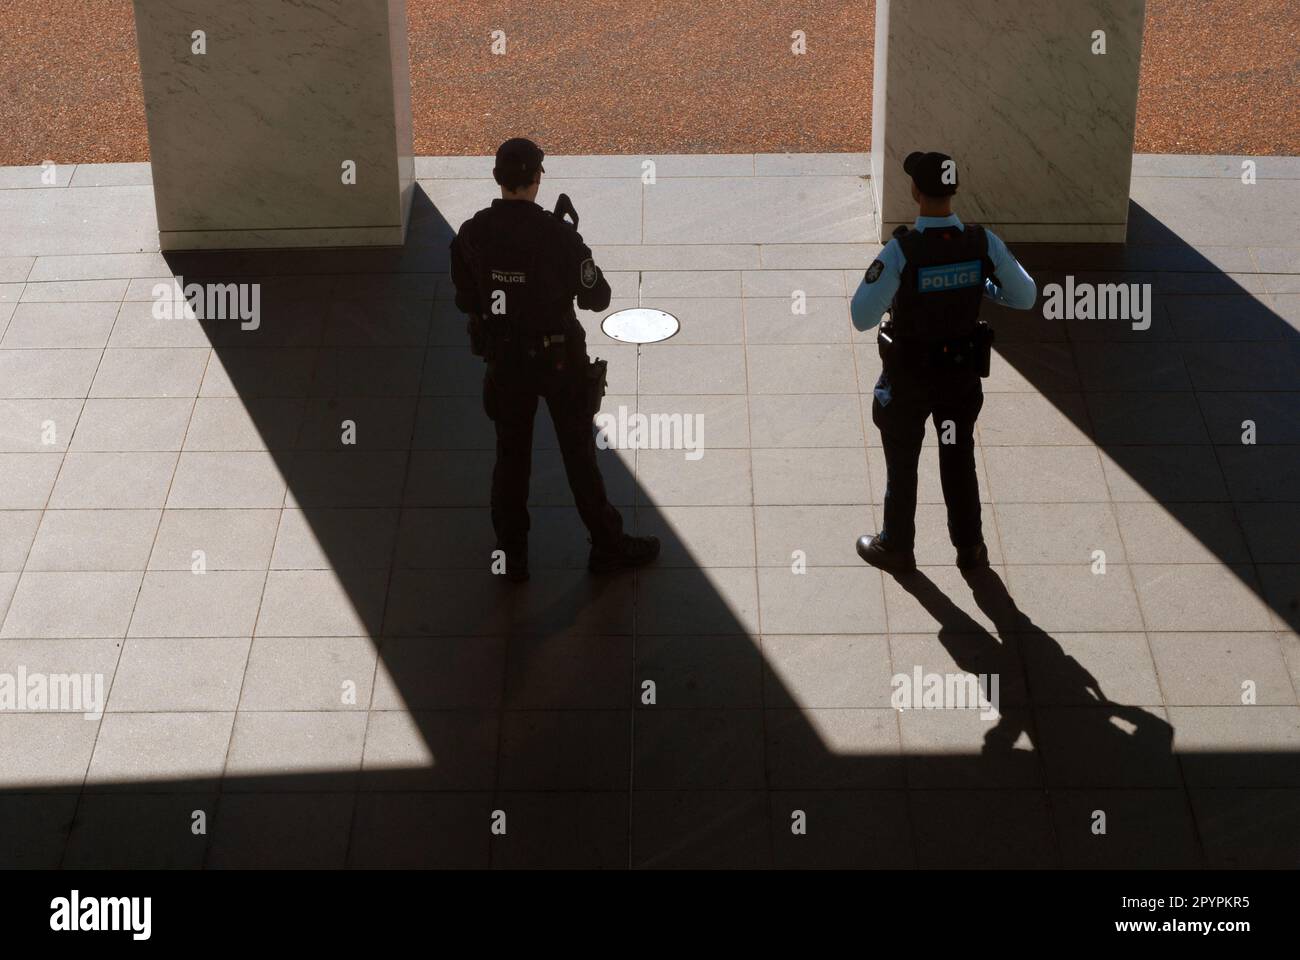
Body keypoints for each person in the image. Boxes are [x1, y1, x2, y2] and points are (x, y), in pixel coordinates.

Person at [449, 137, 659, 582]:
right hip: (559, 360)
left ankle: (512, 556)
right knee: (578, 455)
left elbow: (465, 298)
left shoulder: (472, 233)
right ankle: (606, 545)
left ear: (498, 179)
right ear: (537, 179)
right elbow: (598, 299)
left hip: (505, 361)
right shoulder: (558, 235)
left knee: (511, 456)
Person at [850, 151, 1037, 573]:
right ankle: (970, 549)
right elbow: (1025, 296)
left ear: (916, 191)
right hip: (959, 379)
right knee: (957, 456)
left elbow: (861, 317)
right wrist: (982, 285)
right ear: (954, 189)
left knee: (903, 461)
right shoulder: (981, 242)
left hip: (909, 381)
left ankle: (896, 546)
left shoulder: (903, 251)